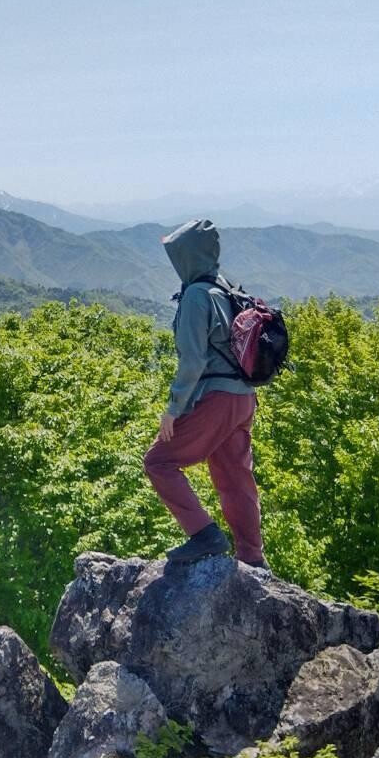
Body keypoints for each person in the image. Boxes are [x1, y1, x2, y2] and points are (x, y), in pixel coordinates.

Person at [142, 219, 265, 567]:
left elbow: (193, 360)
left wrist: (173, 408)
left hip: (217, 398)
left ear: (187, 256)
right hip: (244, 398)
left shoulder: (197, 295)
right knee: (234, 477)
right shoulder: (225, 288)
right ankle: (252, 558)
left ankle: (203, 534)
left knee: (158, 462)